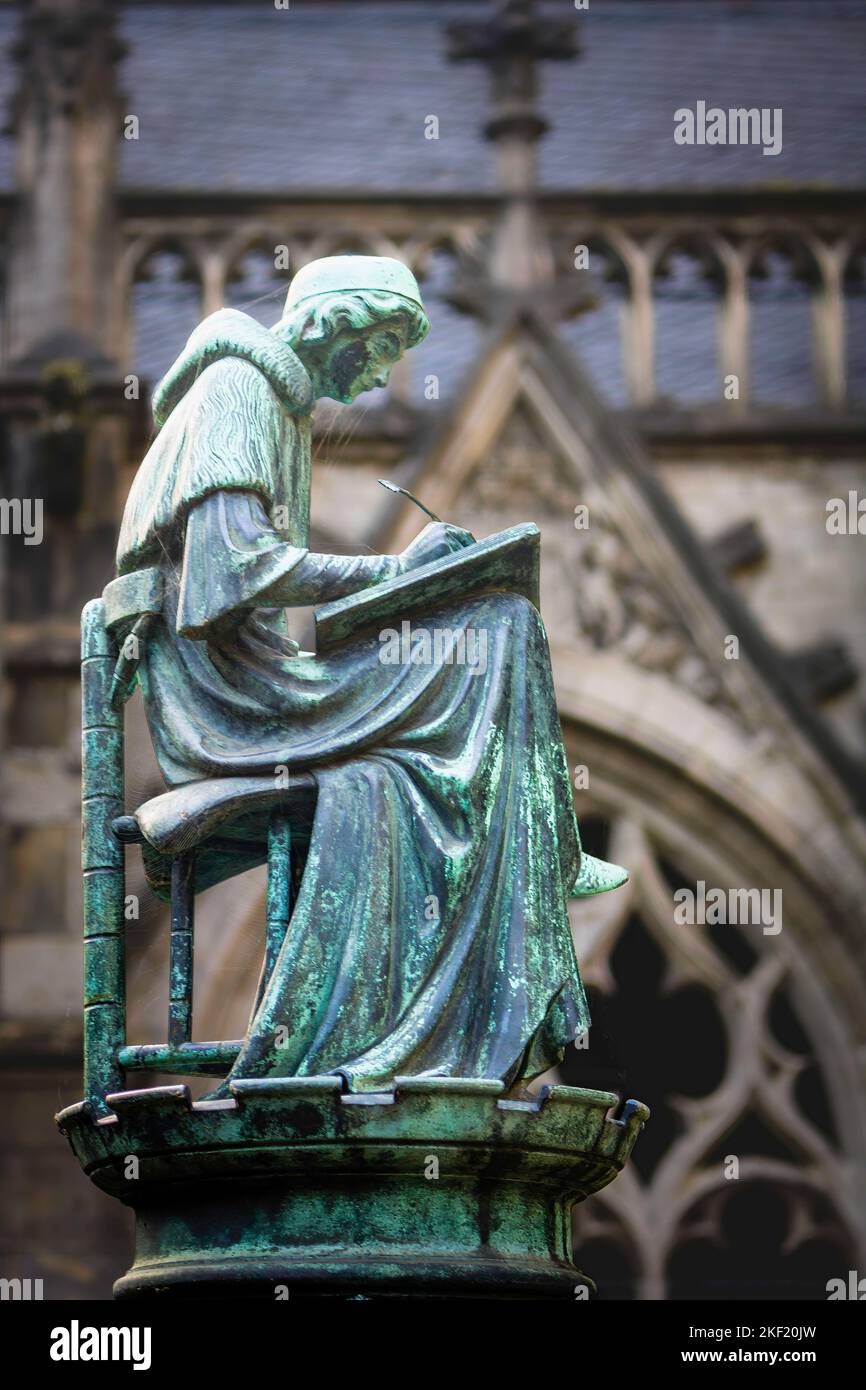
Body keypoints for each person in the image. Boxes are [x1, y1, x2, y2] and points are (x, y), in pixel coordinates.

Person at [115, 254, 628, 1094]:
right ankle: (547, 853)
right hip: (236, 703)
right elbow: (230, 575)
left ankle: (546, 847)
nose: (386, 372)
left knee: (496, 625)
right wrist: (396, 574)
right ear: (330, 325)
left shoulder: (274, 403)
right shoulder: (237, 391)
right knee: (498, 628)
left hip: (262, 683)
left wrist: (405, 582)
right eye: (382, 345)